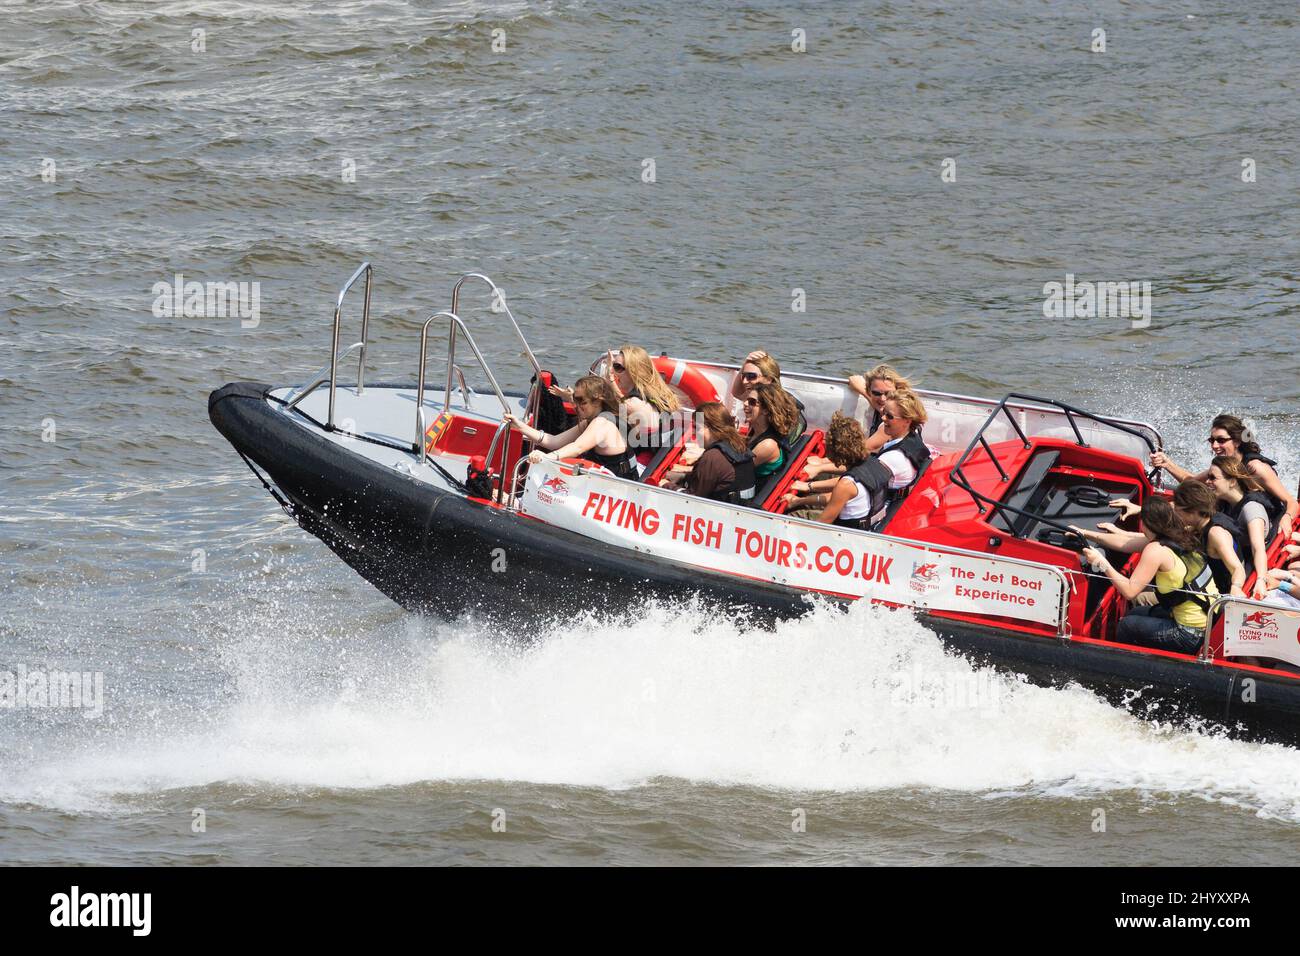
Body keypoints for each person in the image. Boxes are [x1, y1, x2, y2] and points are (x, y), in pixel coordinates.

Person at [1082, 497, 1219, 655]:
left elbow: (1129, 591)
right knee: (1135, 613)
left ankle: (1121, 664)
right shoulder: (1179, 537)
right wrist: (1084, 533)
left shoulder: (1155, 550)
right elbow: (1125, 544)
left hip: (1190, 634)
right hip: (1206, 622)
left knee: (1126, 625)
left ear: (1145, 523)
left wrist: (1102, 563)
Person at [1151, 414, 1296, 538]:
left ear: (1237, 441)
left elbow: (1291, 502)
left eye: (1221, 440)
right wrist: (1167, 463)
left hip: (1262, 525)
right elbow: (1192, 481)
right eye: (1211, 440)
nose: (1214, 445)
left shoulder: (1255, 468)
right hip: (1234, 520)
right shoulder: (1221, 467)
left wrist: (1287, 519)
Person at [814, 394, 933, 528]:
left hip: (873, 507)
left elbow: (855, 481)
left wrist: (809, 485)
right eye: (883, 412)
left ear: (907, 421)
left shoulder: (893, 458)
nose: (883, 418)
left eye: (889, 416)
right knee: (821, 477)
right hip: (874, 496)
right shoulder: (912, 437)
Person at [504, 375, 638, 479]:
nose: (576, 405)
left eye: (582, 401)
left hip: (618, 486)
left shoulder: (602, 423)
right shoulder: (591, 421)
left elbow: (577, 447)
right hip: (607, 481)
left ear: (598, 401)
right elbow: (554, 441)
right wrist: (519, 425)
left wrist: (547, 457)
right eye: (575, 399)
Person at [1206, 456, 1275, 599]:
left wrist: (1261, 579)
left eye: (1213, 478)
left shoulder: (1252, 510)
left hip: (1245, 565)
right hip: (1234, 555)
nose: (1207, 482)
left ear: (1232, 482)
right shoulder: (1225, 503)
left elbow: (1258, 548)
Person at [659, 402, 755, 503]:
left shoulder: (713, 457)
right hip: (737, 512)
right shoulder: (740, 448)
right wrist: (684, 476)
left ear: (713, 428)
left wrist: (666, 485)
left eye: (697, 427)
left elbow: (691, 500)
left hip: (716, 514)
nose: (693, 432)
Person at [609, 345, 682, 467]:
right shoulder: (662, 396)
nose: (614, 372)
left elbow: (612, 407)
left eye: (617, 367)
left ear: (634, 371)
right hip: (655, 463)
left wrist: (609, 379)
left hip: (639, 468)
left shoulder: (632, 404)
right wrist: (611, 378)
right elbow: (623, 400)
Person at [729, 350, 806, 443]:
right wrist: (747, 362)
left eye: (751, 376)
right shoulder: (757, 397)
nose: (745, 381)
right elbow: (737, 393)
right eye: (743, 376)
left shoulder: (777, 405)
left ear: (769, 379)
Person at [848, 364, 914, 453]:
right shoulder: (884, 409)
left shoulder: (894, 422)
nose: (883, 399)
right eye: (876, 393)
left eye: (888, 393)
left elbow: (859, 451)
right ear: (869, 392)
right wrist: (863, 390)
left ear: (898, 392)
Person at [743, 382, 800, 482]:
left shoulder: (768, 445)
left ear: (766, 410)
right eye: (747, 400)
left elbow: (734, 470)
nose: (745, 403)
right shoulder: (756, 429)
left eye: (752, 402)